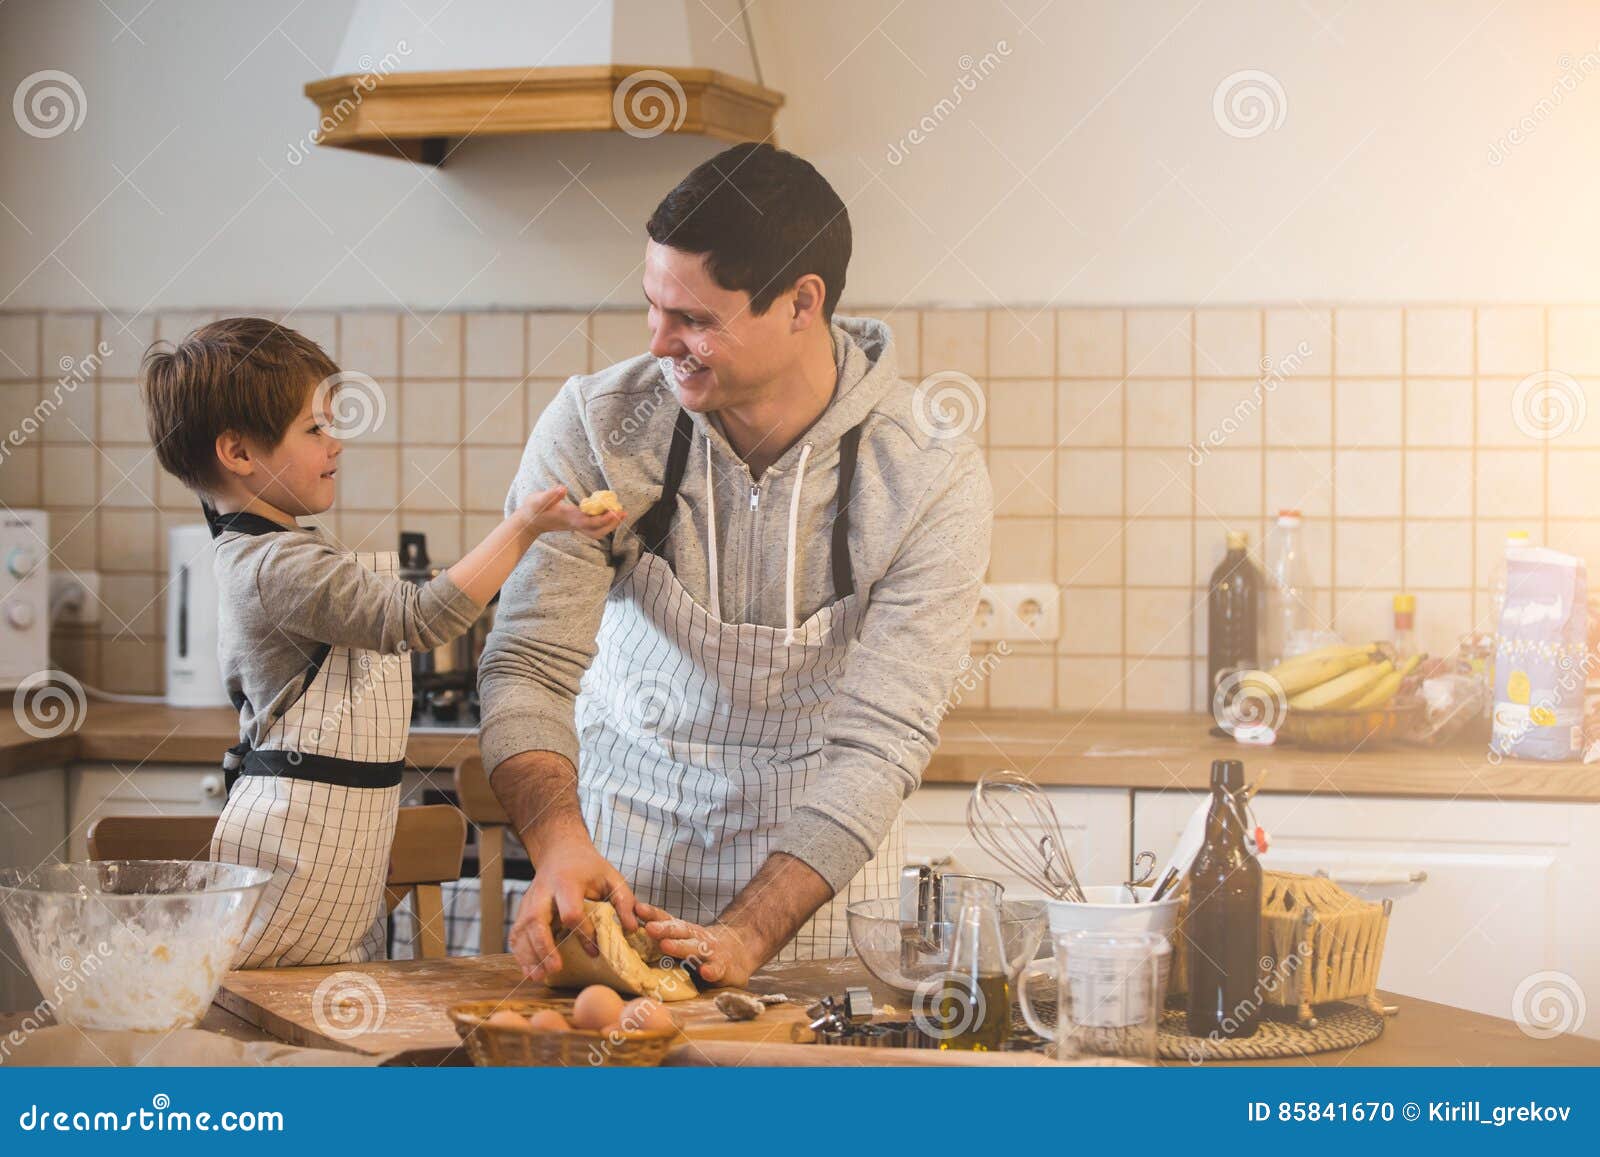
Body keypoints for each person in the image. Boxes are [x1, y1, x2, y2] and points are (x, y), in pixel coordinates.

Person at [478, 143, 992, 986]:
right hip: (617, 862)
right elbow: (529, 664)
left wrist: (749, 934)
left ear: (802, 303)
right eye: (653, 306)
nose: (660, 341)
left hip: (814, 902)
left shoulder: (928, 472)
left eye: (696, 320)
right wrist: (562, 844)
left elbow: (880, 741)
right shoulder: (598, 427)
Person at [140, 318, 620, 967]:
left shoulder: (281, 550)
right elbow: (420, 618)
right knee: (281, 1042)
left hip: (328, 853)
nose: (334, 443)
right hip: (291, 854)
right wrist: (527, 522)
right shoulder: (273, 566)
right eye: (314, 430)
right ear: (239, 453)